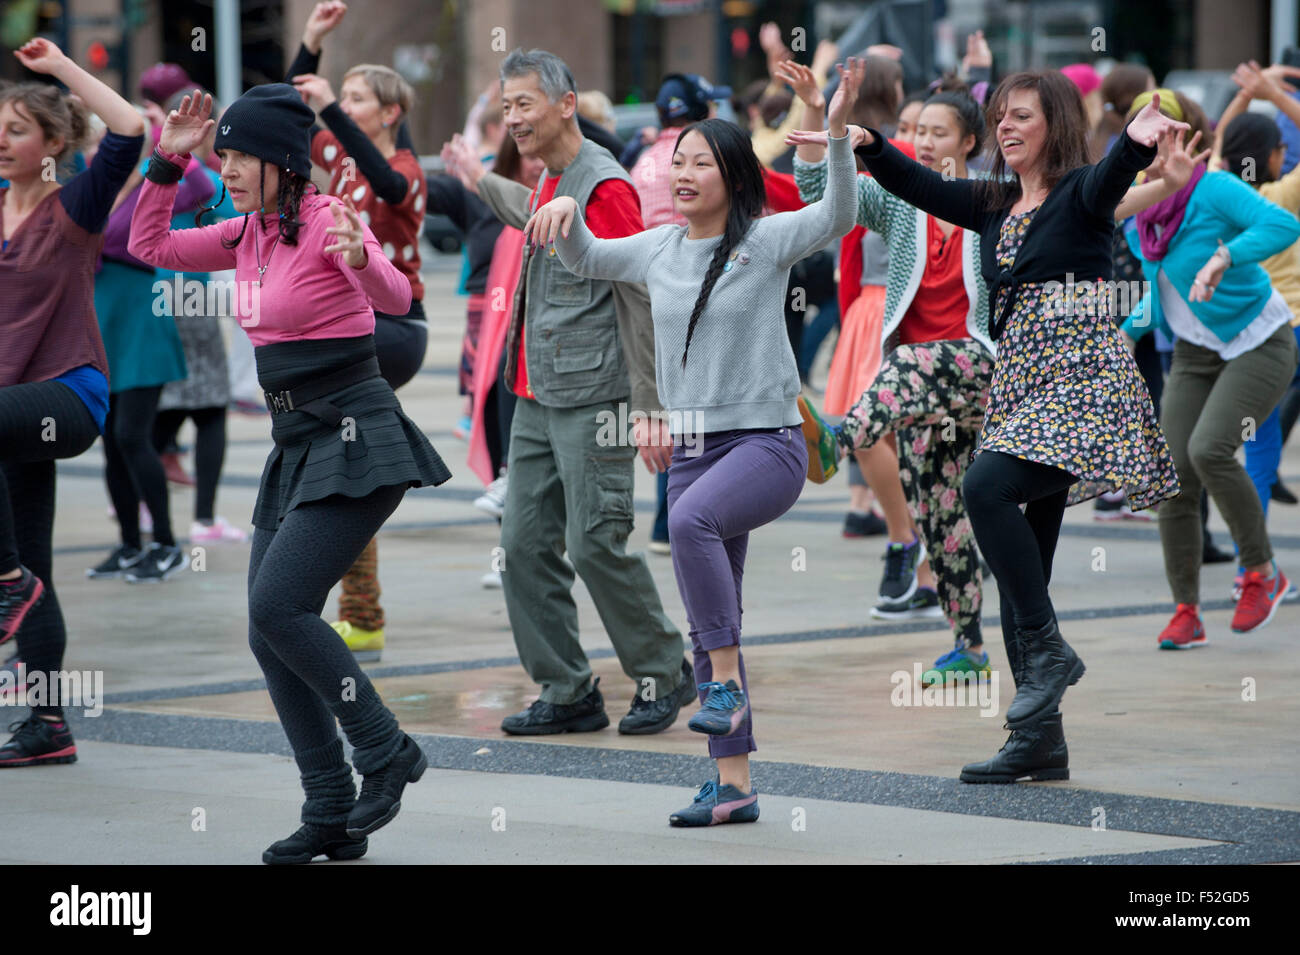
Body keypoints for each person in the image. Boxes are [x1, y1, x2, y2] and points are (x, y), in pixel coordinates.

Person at [792, 71, 1188, 782]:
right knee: (1020, 565)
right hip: (1021, 387)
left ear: (1055, 125)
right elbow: (925, 190)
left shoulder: (1078, 194)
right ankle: (1039, 738)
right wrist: (868, 143)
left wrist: (1135, 140)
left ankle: (1050, 651)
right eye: (1000, 116)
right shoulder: (998, 201)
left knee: (984, 487)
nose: (1006, 127)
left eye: (1022, 117)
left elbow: (1110, 178)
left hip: (1078, 386)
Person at [527, 58, 860, 826]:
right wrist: (566, 218)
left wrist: (831, 129)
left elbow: (837, 215)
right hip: (698, 450)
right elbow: (590, 259)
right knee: (722, 607)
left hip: (768, 445)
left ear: (733, 174)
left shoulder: (767, 241)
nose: (680, 173)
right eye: (676, 162)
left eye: (698, 162)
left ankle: (718, 685)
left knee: (686, 522)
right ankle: (734, 782)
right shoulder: (657, 247)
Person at [129, 85, 448, 862]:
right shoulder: (246, 235)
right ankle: (331, 806)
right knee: (268, 630)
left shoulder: (327, 222)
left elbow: (399, 294)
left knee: (280, 603)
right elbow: (150, 246)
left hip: (355, 433)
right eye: (223, 153)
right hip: (295, 437)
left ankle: (384, 750)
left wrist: (360, 254)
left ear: (281, 161)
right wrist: (169, 156)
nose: (227, 167)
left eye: (240, 156)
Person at [444, 48, 694, 737]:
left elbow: (636, 295)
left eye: (524, 104)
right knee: (523, 546)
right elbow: (532, 214)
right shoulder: (554, 179)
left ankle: (664, 669)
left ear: (565, 103)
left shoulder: (604, 186)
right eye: (506, 107)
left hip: (596, 396)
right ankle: (568, 688)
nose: (513, 118)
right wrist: (475, 180)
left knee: (595, 542)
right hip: (534, 395)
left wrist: (648, 409)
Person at [793, 78, 996, 681]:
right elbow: (816, 191)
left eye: (939, 133)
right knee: (938, 514)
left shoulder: (997, 199)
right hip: (922, 384)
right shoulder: (900, 199)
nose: (925, 143)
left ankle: (835, 441)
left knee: (899, 366)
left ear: (970, 140)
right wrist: (827, 125)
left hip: (976, 363)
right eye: (918, 132)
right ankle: (970, 650)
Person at [0, 38, 145, 765]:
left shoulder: (76, 206)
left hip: (69, 396)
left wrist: (57, 68)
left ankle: (5, 582)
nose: (0, 140)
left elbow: (129, 130)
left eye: (16, 128)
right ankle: (47, 723)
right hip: (10, 412)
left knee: (16, 574)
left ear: (53, 143)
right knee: (36, 564)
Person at [1120, 81, 1300, 648]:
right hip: (1197, 353)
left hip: (1261, 340)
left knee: (1208, 448)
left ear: (1182, 138)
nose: (1151, 152)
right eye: (1139, 140)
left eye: (1162, 137)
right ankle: (1187, 611)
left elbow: (1284, 225)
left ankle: (1262, 572)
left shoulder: (1215, 189)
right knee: (1169, 471)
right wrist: (1116, 338)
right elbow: (1157, 295)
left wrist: (1226, 254)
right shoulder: (1138, 216)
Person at [287, 0, 430, 659]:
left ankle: (355, 604)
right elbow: (291, 112)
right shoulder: (339, 158)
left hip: (395, 325)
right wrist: (313, 41)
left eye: (355, 97)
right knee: (342, 457)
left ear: (389, 111)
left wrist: (331, 110)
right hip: (360, 324)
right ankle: (360, 610)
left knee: (340, 450)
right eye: (340, 96)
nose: (339, 103)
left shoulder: (400, 166)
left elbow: (387, 187)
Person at [1214, 61, 1300, 531]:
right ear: (1271, 155)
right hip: (1293, 328)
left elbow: (1220, 141)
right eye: (1281, 148)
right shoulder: (1283, 196)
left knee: (1258, 444)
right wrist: (1274, 92)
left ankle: (1254, 562)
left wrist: (1247, 95)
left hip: (1246, 335)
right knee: (1263, 449)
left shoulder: (1215, 194)